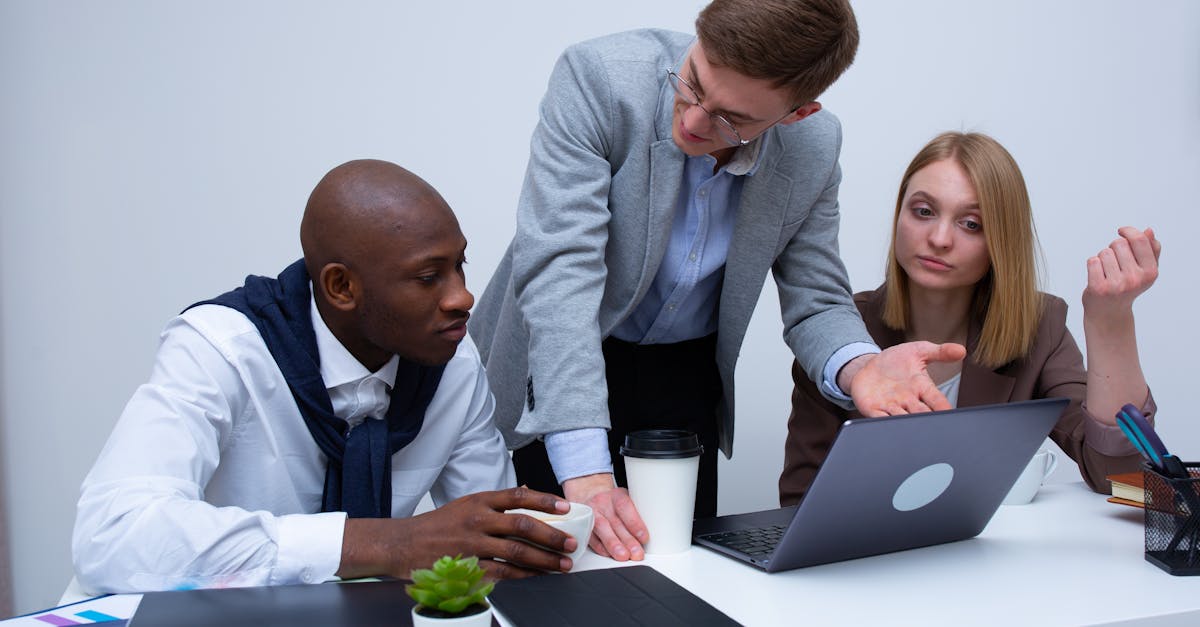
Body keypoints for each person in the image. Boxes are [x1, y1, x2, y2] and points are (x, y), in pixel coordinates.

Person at [469, 0, 964, 563]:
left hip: (684, 375)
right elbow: (562, 276)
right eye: (693, 82)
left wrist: (862, 365)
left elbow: (817, 299)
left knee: (673, 578)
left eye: (734, 119)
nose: (694, 121)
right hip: (559, 362)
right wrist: (586, 471)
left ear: (797, 114)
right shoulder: (600, 78)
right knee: (538, 578)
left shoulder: (814, 147)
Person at [73, 159, 578, 593]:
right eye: (429, 277)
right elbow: (112, 536)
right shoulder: (221, 350)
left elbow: (487, 546)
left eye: (459, 267)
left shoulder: (452, 362)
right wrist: (384, 543)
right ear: (340, 286)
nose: (462, 297)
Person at [779, 132, 1161, 505]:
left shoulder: (1039, 327)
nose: (940, 238)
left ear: (1001, 242)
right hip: (867, 560)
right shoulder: (839, 334)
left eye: (971, 223)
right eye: (924, 211)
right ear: (899, 214)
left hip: (987, 564)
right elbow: (800, 502)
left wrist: (1110, 322)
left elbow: (1117, 475)